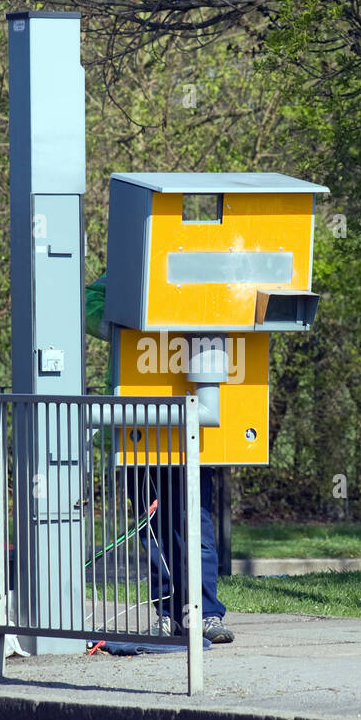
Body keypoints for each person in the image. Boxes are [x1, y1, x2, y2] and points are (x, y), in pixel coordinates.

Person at [86, 275, 234, 644]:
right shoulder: (126, 267)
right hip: (138, 430)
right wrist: (122, 319)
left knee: (195, 527)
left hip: (192, 428)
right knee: (155, 531)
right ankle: (167, 615)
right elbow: (88, 304)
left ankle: (206, 614)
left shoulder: (209, 273)